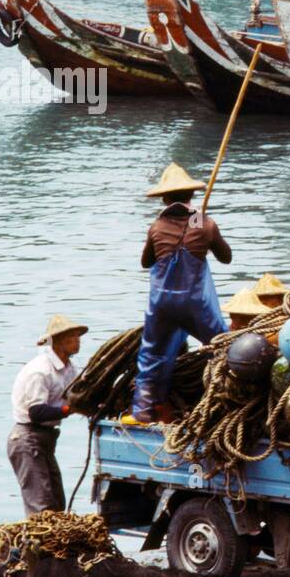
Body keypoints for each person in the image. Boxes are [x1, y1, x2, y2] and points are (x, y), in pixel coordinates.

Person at [126, 163, 231, 424]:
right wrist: (203, 230)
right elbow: (226, 257)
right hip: (195, 304)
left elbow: (146, 262)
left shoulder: (157, 227)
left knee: (152, 353)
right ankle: (227, 407)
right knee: (224, 349)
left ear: (164, 198)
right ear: (191, 196)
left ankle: (142, 412)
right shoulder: (203, 222)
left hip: (162, 304)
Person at [8, 315, 88, 515]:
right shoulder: (40, 371)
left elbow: (81, 390)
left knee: (56, 503)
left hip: (46, 439)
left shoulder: (70, 368)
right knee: (41, 506)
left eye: (78, 337)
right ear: (59, 341)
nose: (78, 341)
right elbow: (36, 412)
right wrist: (70, 410)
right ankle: (38, 544)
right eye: (72, 337)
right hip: (27, 439)